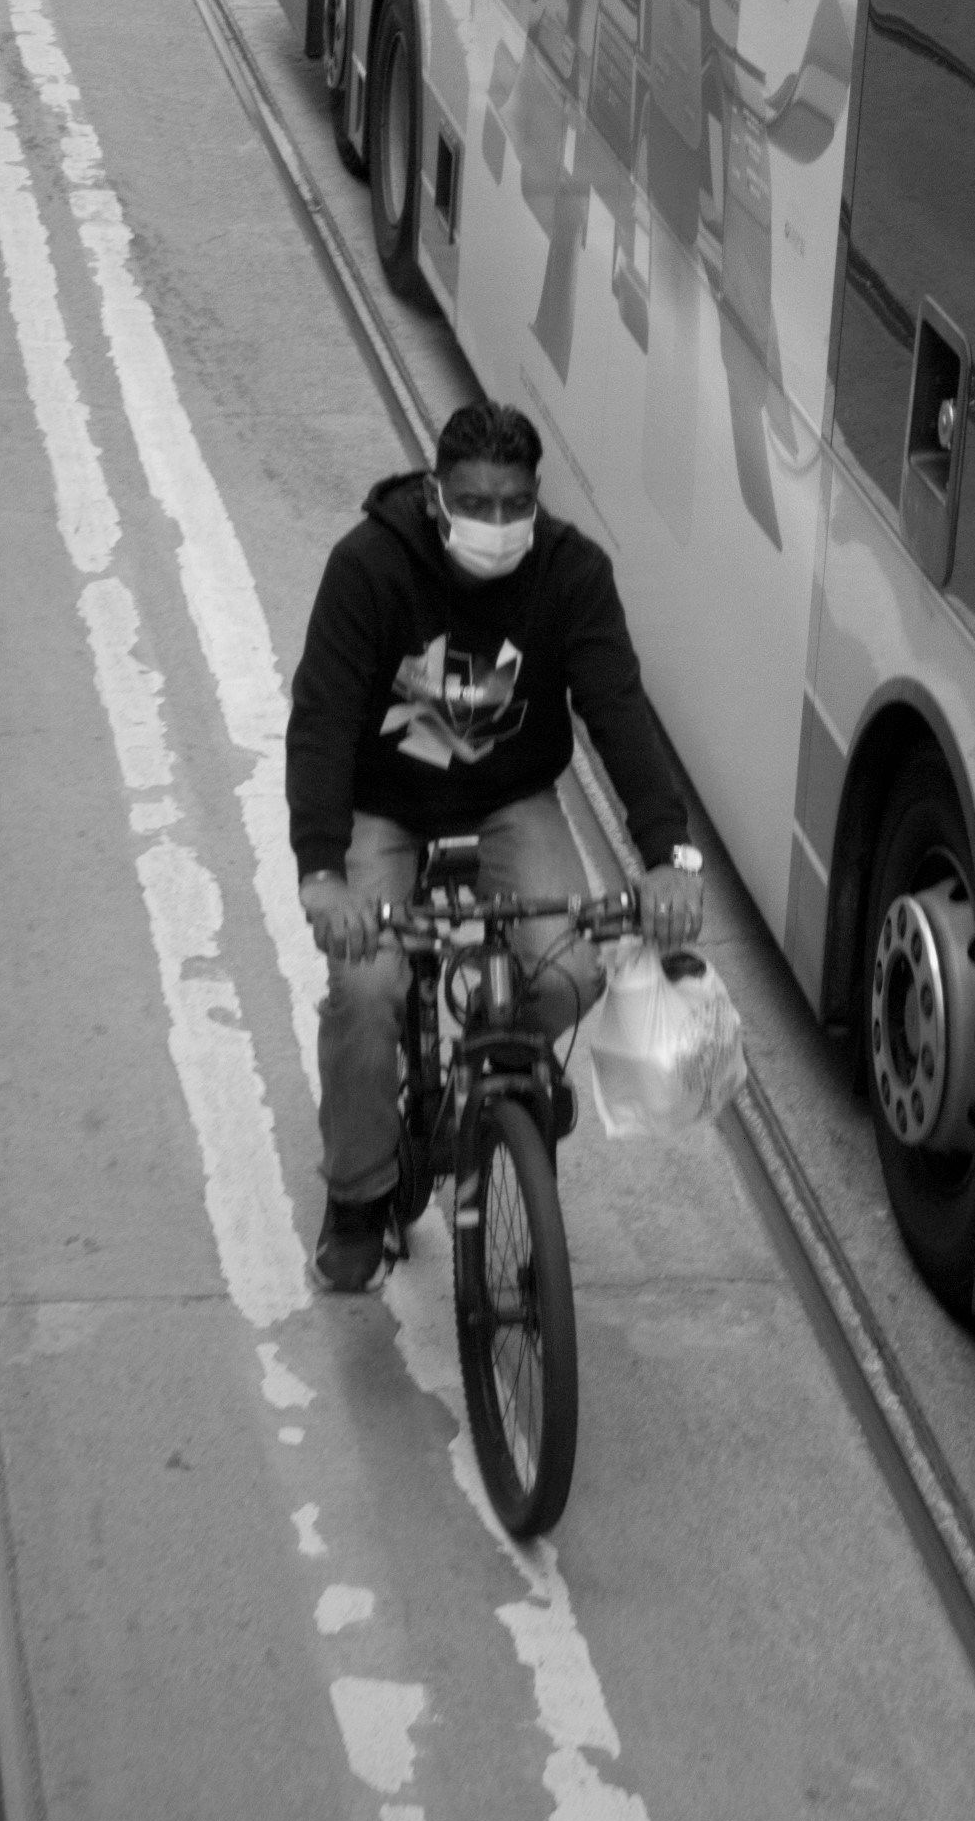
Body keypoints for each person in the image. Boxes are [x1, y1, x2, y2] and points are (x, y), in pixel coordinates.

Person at [285, 399, 704, 1291]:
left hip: (509, 793)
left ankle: (497, 1064)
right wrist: (324, 874)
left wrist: (670, 857)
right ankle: (361, 1193)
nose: (498, 523)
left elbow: (617, 710)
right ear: (437, 500)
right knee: (366, 993)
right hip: (383, 802)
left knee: (568, 975)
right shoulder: (367, 569)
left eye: (516, 504)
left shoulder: (571, 574)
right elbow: (320, 723)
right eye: (476, 503)